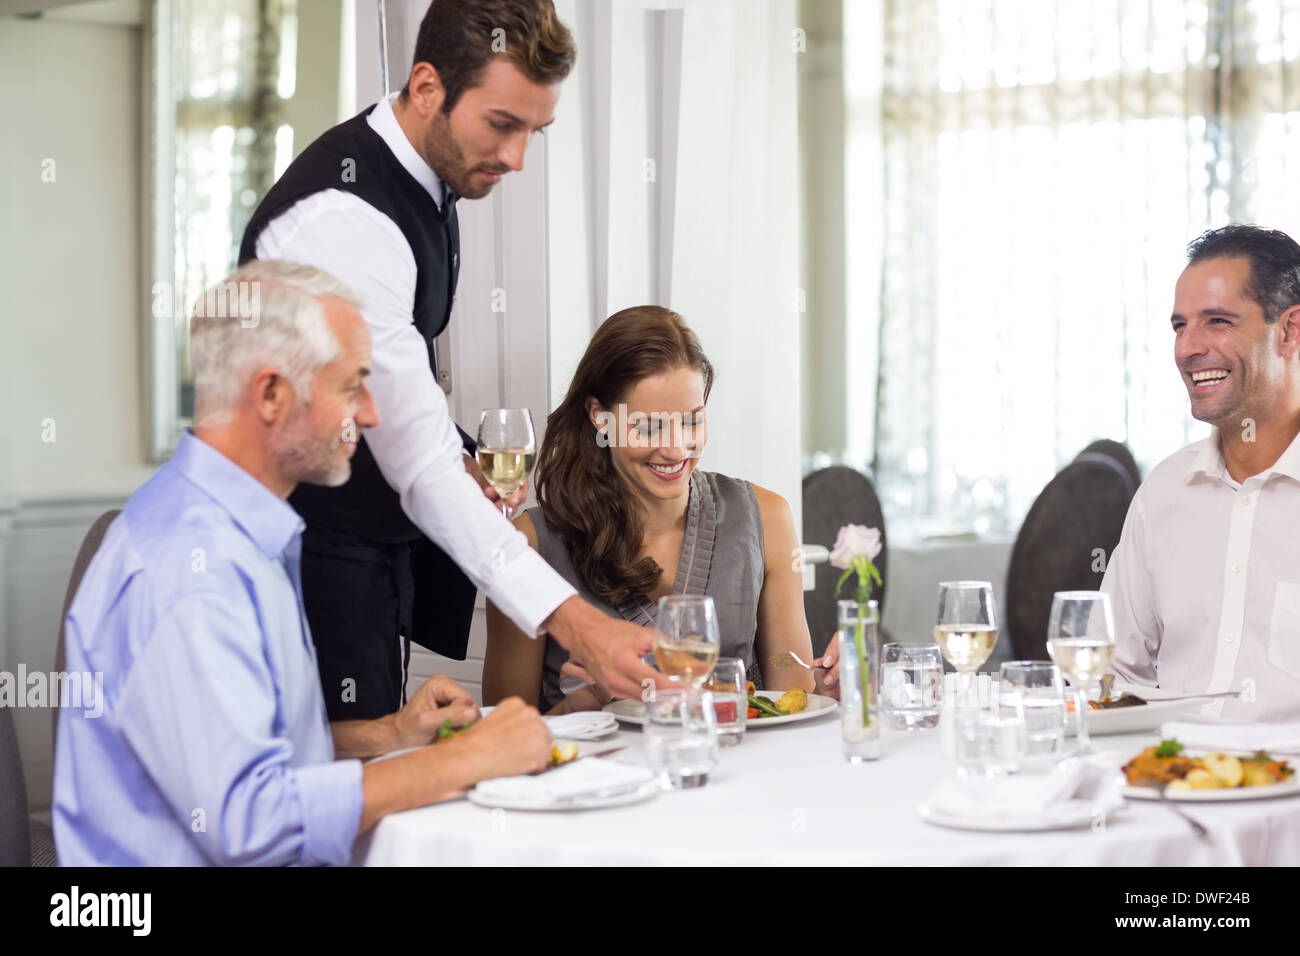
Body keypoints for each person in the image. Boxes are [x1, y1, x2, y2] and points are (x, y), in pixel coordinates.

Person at [238, 0, 662, 723]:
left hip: (372, 550)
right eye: (503, 124)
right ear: (428, 87)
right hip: (307, 559)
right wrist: (577, 623)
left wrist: (468, 456)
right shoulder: (347, 221)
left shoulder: (430, 176)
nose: (517, 158)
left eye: (535, 130)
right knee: (341, 801)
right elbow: (416, 458)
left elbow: (408, 395)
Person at [53, 261, 553, 865]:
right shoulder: (195, 571)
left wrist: (387, 735)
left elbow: (244, 753)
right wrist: (462, 760)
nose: (371, 415)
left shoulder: (230, 529)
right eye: (352, 387)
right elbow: (251, 825)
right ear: (270, 394)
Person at [482, 306, 840, 713]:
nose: (675, 449)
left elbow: (791, 697)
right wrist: (583, 703)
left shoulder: (767, 518)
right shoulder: (528, 546)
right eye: (649, 425)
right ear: (599, 417)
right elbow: (500, 734)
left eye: (692, 421)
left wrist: (824, 693)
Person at [1103, 224, 1300, 722]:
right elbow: (1109, 672)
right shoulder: (1165, 493)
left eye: (1217, 321)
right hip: (1167, 780)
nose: (1187, 348)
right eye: (1178, 325)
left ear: (1291, 330)